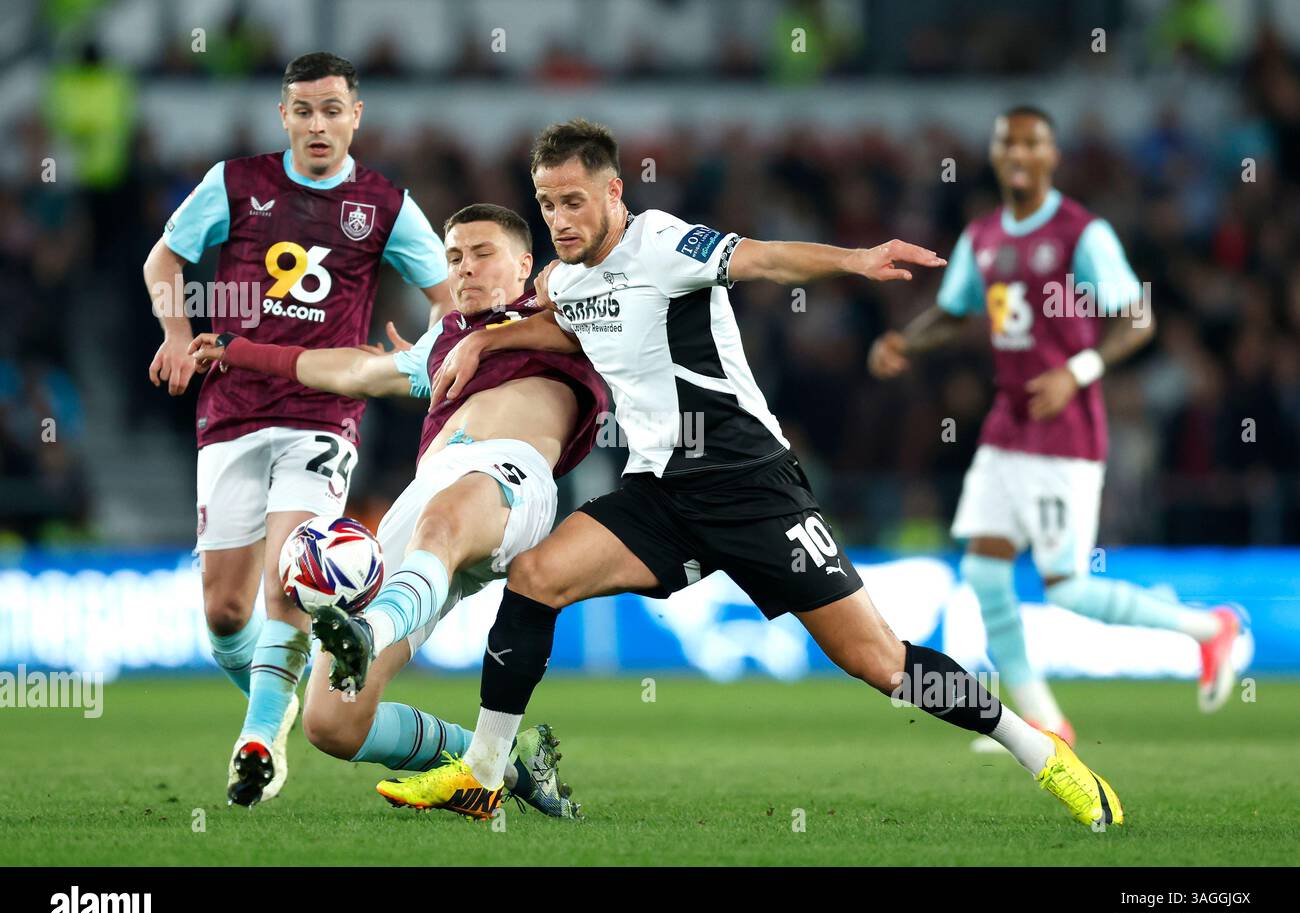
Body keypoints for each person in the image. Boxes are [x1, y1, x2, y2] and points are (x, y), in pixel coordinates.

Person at [325, 118, 1124, 829]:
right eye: (546, 204)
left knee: (880, 662)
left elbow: (766, 259)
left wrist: (856, 257)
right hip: (661, 494)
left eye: (573, 202)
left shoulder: (665, 245)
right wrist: (479, 341)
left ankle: (1039, 750)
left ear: (613, 193)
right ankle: (484, 775)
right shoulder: (564, 280)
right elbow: (567, 327)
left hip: (750, 484)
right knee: (535, 577)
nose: (560, 220)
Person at [190, 202, 605, 817]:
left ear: (525, 262)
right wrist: (243, 350)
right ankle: (509, 767)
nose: (463, 270)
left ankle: (372, 628)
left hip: (511, 474)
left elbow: (626, 304)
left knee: (443, 520)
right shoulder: (443, 339)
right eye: (454, 257)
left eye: (481, 253)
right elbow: (355, 370)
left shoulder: (563, 308)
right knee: (332, 722)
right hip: (429, 489)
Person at [868, 106, 1245, 750]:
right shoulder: (983, 236)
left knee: (1067, 587)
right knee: (985, 577)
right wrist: (904, 340)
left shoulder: (1081, 233)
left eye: (1031, 142)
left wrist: (1079, 370)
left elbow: (1139, 318)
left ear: (1051, 156)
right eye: (1007, 142)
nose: (1018, 152)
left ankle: (1210, 629)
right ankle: (1046, 721)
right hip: (1005, 426)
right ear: (995, 153)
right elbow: (954, 312)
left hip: (1064, 429)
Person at [142, 52, 452, 805]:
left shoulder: (385, 204)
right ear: (283, 116)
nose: (319, 124)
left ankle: (258, 740)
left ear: (357, 115)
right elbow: (165, 259)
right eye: (304, 110)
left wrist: (425, 354)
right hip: (230, 410)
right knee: (223, 612)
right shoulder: (235, 183)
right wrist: (177, 332)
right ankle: (277, 703)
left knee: (293, 576)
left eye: (332, 109)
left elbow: (450, 302)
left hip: (323, 416)